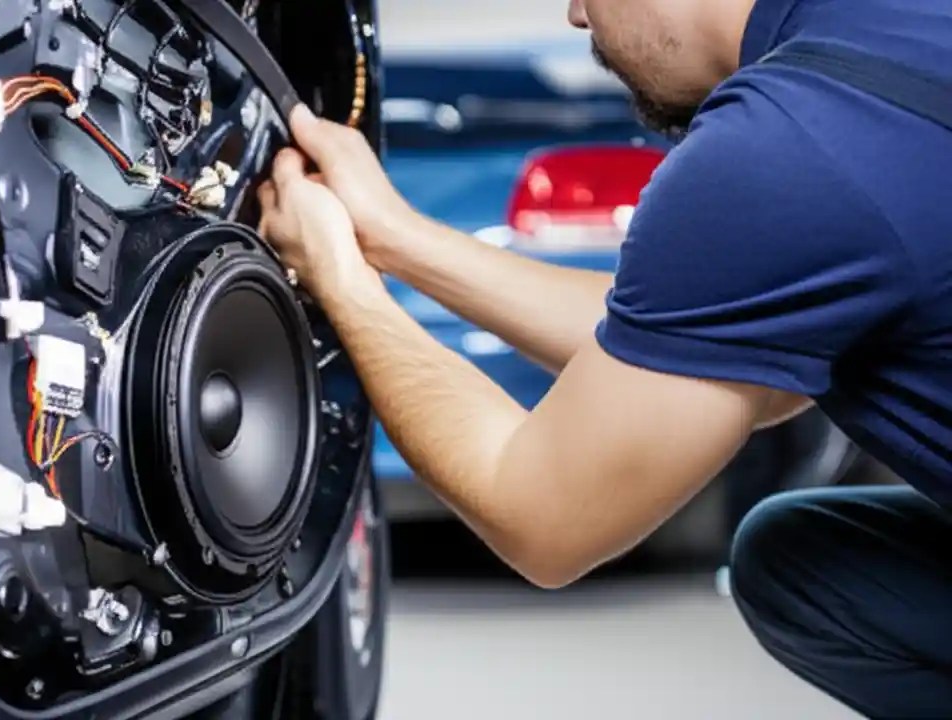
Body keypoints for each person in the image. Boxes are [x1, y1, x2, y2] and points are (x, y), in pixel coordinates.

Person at [256, 0, 952, 715]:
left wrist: (342, 281)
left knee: (798, 566)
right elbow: (702, 346)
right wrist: (395, 235)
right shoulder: (891, 38)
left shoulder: (791, 138)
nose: (576, 17)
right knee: (798, 559)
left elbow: (542, 517)